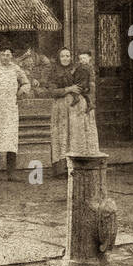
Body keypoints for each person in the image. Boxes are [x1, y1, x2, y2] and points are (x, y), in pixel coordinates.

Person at [47, 47, 98, 175]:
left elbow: (86, 84)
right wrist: (69, 89)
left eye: (68, 56)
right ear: (59, 58)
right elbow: (52, 91)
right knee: (62, 135)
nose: (65, 58)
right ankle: (61, 169)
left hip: (76, 109)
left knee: (75, 135)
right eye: (63, 56)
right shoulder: (54, 72)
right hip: (61, 108)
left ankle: (76, 166)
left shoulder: (76, 69)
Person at [0, 45, 31, 181]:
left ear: (12, 56)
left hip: (10, 107)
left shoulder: (16, 69)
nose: (6, 57)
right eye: (3, 54)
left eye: (8, 55)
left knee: (10, 138)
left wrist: (20, 92)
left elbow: (26, 84)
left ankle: (11, 173)